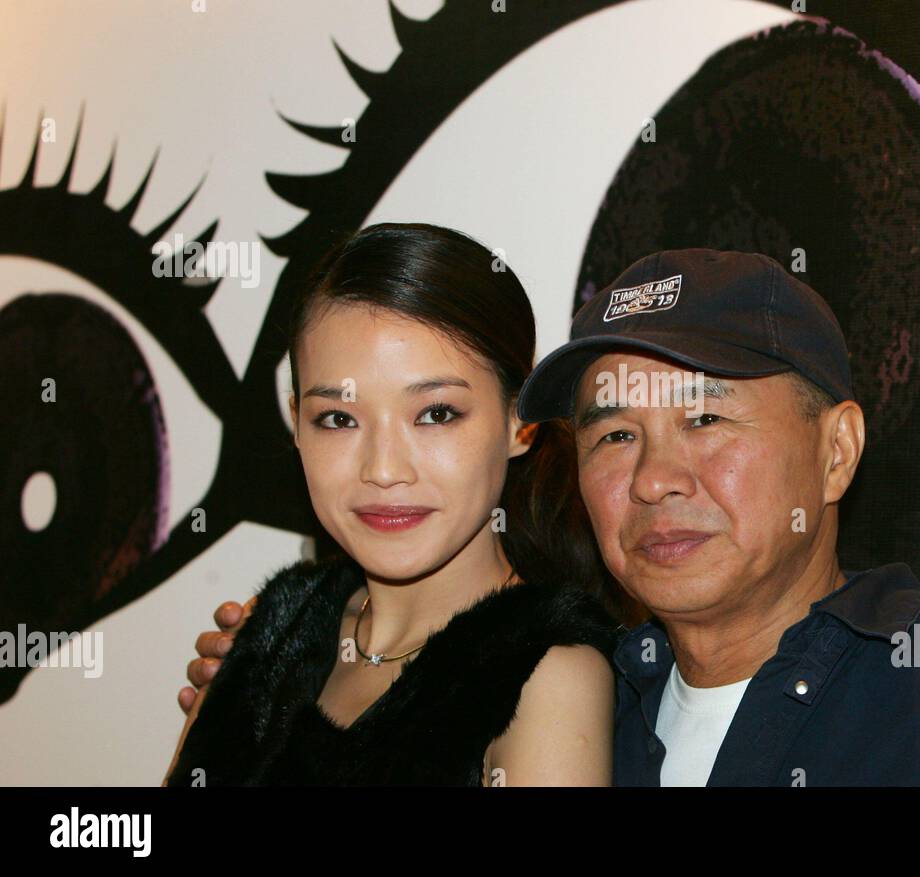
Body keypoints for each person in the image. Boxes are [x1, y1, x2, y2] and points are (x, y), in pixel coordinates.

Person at [186, 248, 920, 785]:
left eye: (705, 419)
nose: (654, 479)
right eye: (614, 433)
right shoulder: (587, 693)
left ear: (835, 451)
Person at [166, 223, 618, 787]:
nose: (383, 469)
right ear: (297, 425)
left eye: (435, 414)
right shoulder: (273, 628)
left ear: (519, 422)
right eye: (339, 419)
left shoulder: (548, 677)